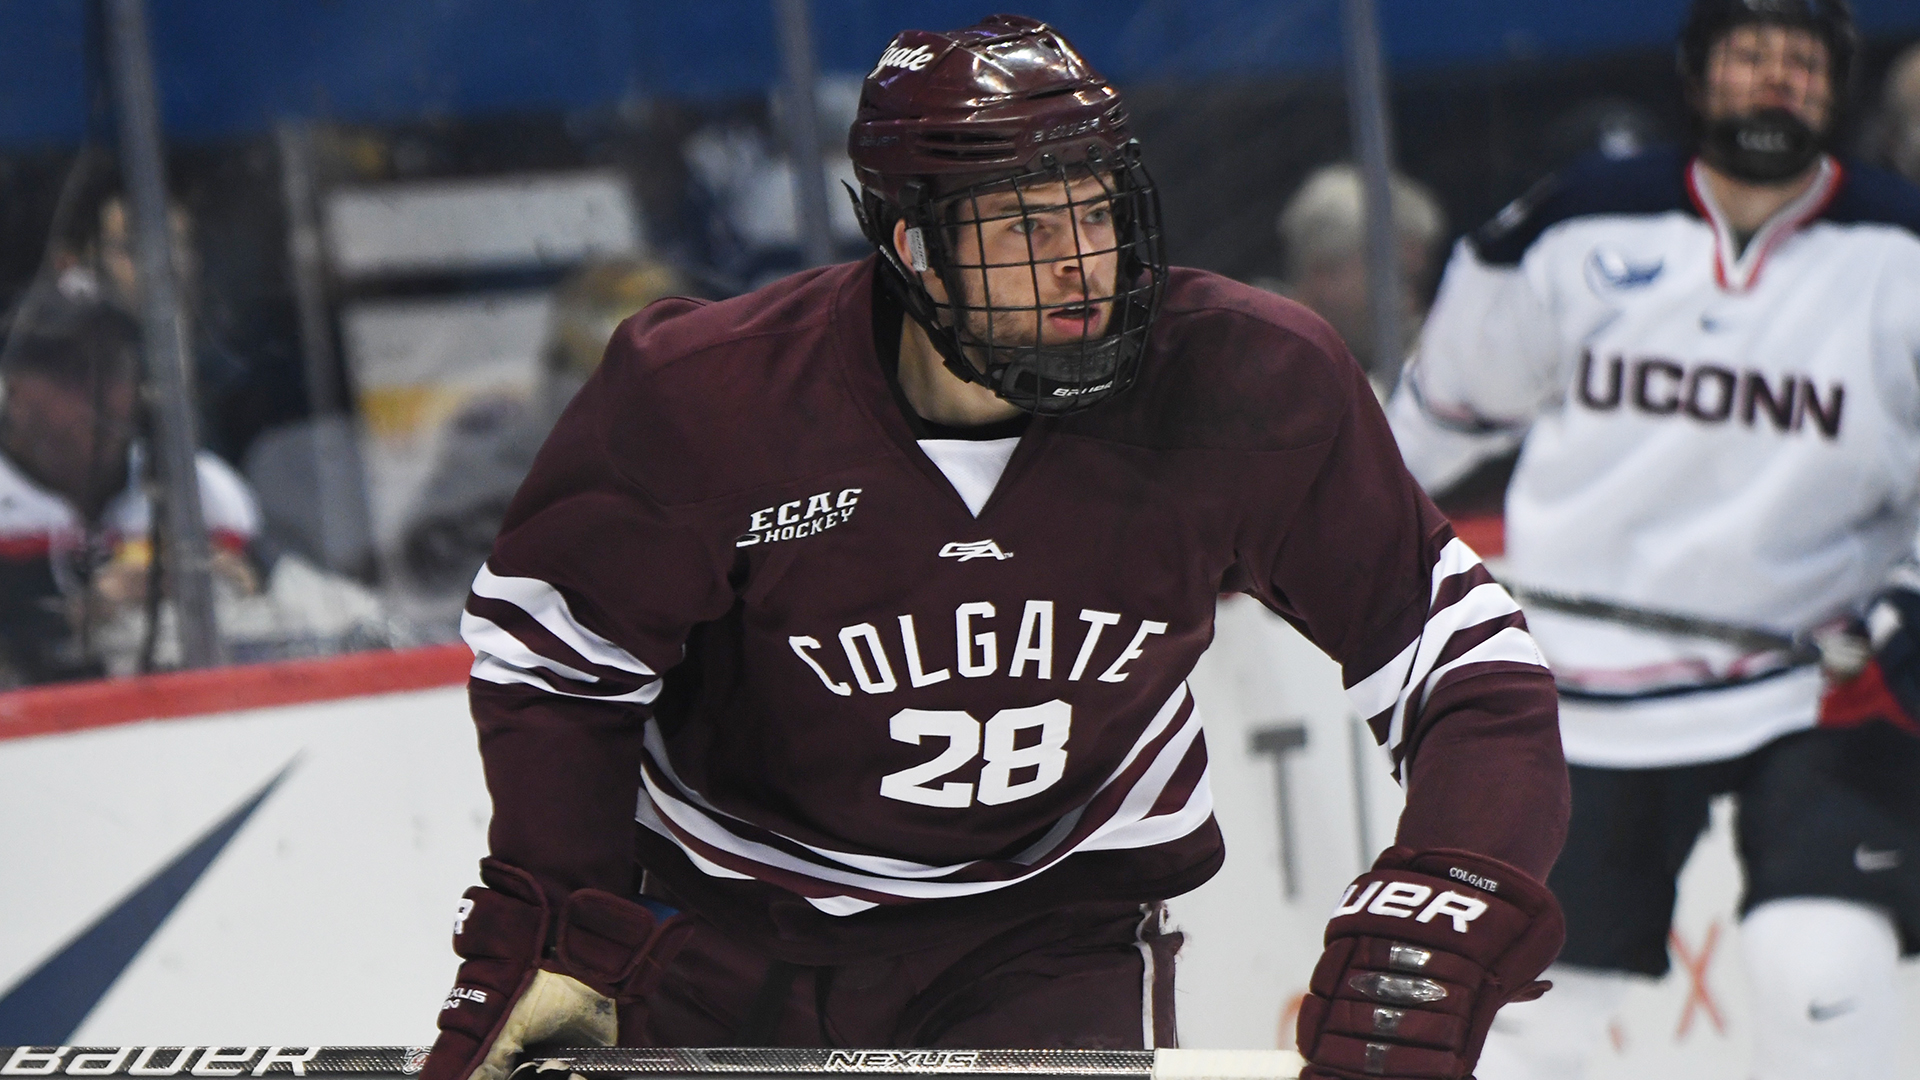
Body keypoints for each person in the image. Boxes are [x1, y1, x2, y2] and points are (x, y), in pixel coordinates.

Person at [421, 16, 1568, 1080]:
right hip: (727, 920)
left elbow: (1464, 662)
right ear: (914, 246)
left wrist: (1445, 900)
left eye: (1097, 213)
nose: (1082, 262)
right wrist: (557, 922)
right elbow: (559, 663)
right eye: (1027, 226)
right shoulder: (712, 400)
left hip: (1052, 927)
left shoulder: (1245, 382)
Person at [1385, 2, 1920, 1077]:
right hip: (1589, 682)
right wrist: (1321, 523)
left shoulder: (1901, 250)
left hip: (1820, 680)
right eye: (1750, 54)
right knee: (1536, 1010)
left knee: (1818, 968)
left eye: (1802, 60)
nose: (1776, 79)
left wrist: (1906, 600)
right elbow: (1436, 419)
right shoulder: (1578, 223)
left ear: (1837, 85)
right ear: (1697, 73)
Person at [0, 287, 261, 684]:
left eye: (112, 369)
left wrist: (238, 584)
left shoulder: (201, 489)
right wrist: (84, 614)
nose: (97, 396)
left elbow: (282, 614)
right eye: (71, 373)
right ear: (13, 389)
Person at [1259, 163, 1446, 393]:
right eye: (1395, 281)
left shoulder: (1414, 362)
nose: (1409, 304)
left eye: (1417, 284)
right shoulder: (1243, 358)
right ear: (1324, 268)